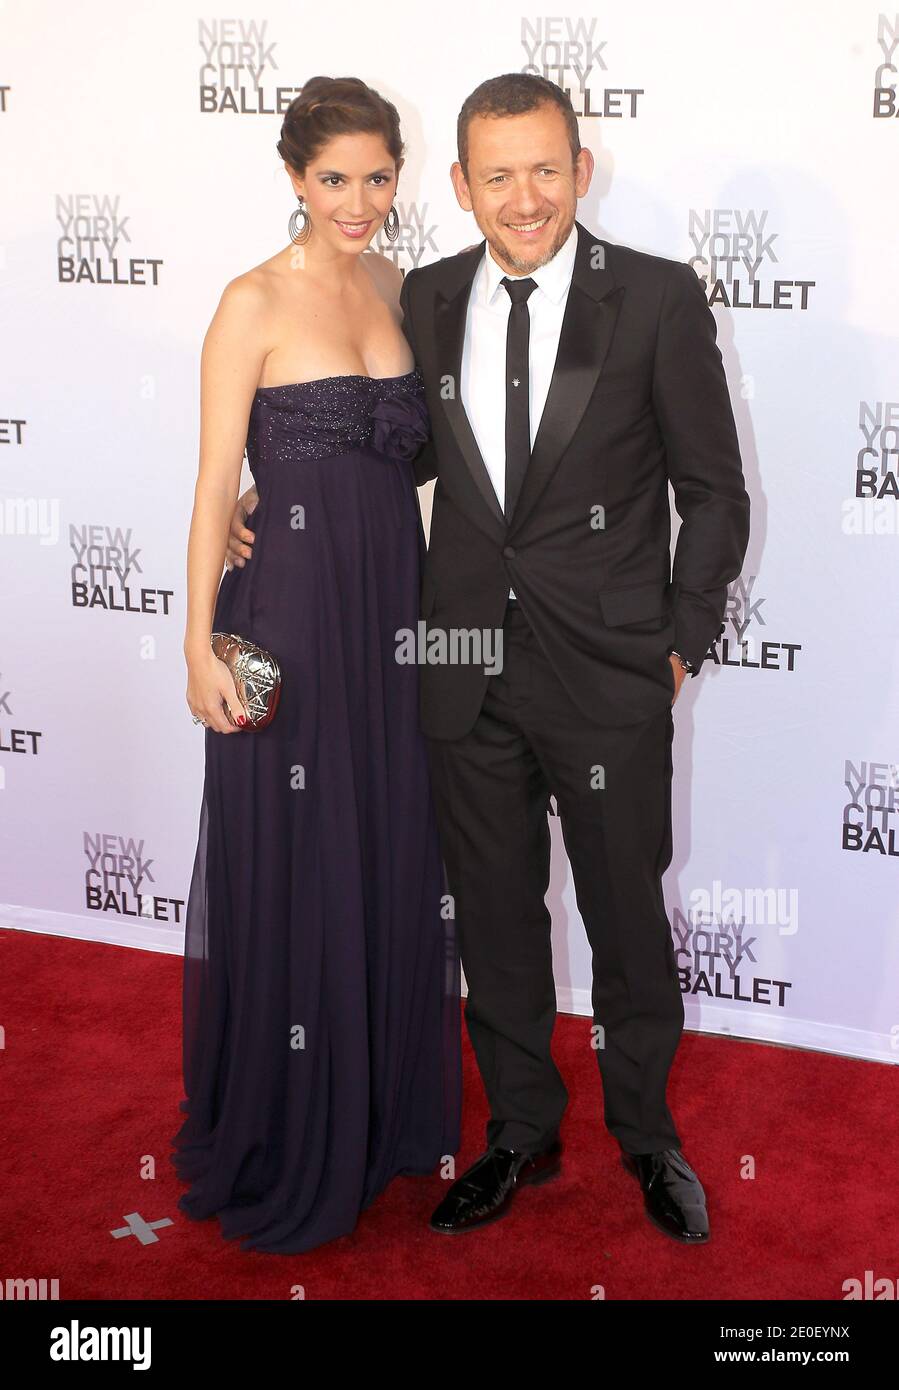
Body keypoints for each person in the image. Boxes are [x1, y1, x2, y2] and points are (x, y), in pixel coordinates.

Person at [228, 73, 750, 1245]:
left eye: (545, 169)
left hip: (609, 670)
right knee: (498, 918)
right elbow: (393, 446)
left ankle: (647, 1138)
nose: (524, 197)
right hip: (457, 657)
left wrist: (679, 640)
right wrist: (265, 491)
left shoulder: (656, 299)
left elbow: (712, 494)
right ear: (459, 185)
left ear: (580, 167)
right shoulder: (425, 294)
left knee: (624, 918)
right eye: (496, 174)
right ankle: (519, 1130)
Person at [172, 75, 460, 1255]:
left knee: (388, 842)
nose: (357, 200)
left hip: (392, 607)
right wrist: (196, 645)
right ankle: (291, 1124)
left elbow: (407, 459)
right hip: (291, 615)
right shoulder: (251, 300)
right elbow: (207, 485)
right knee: (303, 849)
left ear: (400, 175)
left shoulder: (399, 286)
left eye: (377, 177)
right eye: (333, 178)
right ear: (294, 177)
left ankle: (384, 1111)